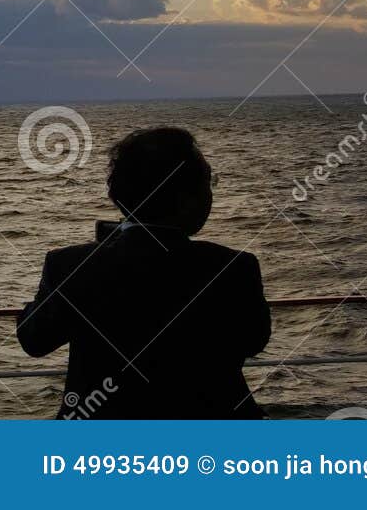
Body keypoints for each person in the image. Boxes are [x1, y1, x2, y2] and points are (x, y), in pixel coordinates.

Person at [16, 126, 271, 418]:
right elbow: (254, 340)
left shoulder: (70, 265)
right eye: (207, 184)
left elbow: (34, 340)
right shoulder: (233, 267)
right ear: (188, 197)